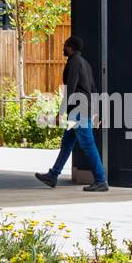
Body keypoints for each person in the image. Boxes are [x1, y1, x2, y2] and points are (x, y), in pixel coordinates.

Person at [35, 36, 108, 192]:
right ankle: (53, 175)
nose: (63, 48)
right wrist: (97, 114)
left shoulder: (74, 63)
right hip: (82, 111)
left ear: (70, 47)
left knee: (88, 146)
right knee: (67, 144)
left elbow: (71, 90)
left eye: (64, 45)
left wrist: (60, 113)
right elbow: (94, 90)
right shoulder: (86, 64)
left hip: (79, 112)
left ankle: (101, 180)